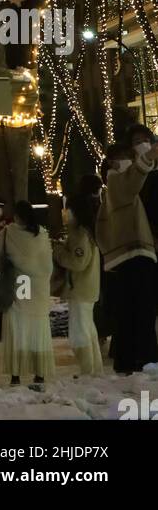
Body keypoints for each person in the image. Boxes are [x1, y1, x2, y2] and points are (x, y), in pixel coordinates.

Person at [96, 134, 158, 374]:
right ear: (114, 162)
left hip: (124, 257)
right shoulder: (118, 183)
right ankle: (145, 359)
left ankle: (126, 359)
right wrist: (148, 158)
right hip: (135, 254)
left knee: (128, 310)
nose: (130, 162)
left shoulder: (110, 192)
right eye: (126, 158)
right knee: (141, 309)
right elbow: (134, 179)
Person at [0, 200, 55, 389]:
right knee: (38, 328)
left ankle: (16, 374)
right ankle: (39, 372)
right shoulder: (42, 234)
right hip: (39, 289)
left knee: (17, 327)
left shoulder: (8, 233)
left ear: (17, 216)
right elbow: (48, 264)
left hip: (19, 286)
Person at [53, 193, 102, 375]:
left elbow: (77, 262)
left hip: (80, 289)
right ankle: (94, 370)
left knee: (79, 333)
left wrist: (58, 252)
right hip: (87, 288)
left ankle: (87, 370)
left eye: (67, 209)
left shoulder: (79, 234)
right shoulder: (87, 232)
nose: (65, 212)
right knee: (88, 330)